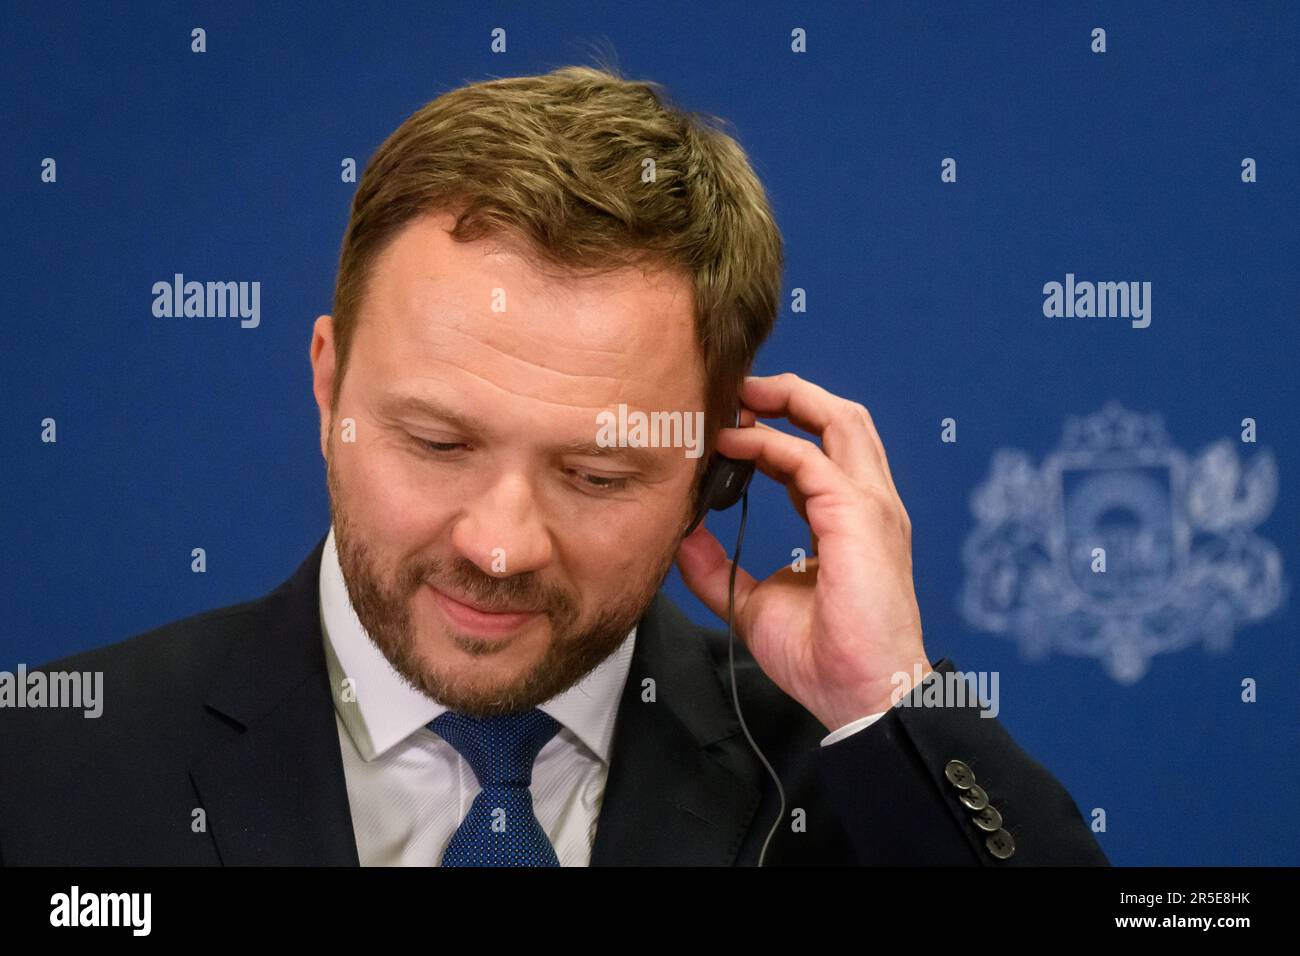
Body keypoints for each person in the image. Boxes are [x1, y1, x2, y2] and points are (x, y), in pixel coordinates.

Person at [0, 65, 1107, 866]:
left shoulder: (856, 782)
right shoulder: (45, 766)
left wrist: (883, 698)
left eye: (596, 474)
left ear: (716, 470)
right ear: (330, 387)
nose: (496, 543)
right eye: (437, 443)